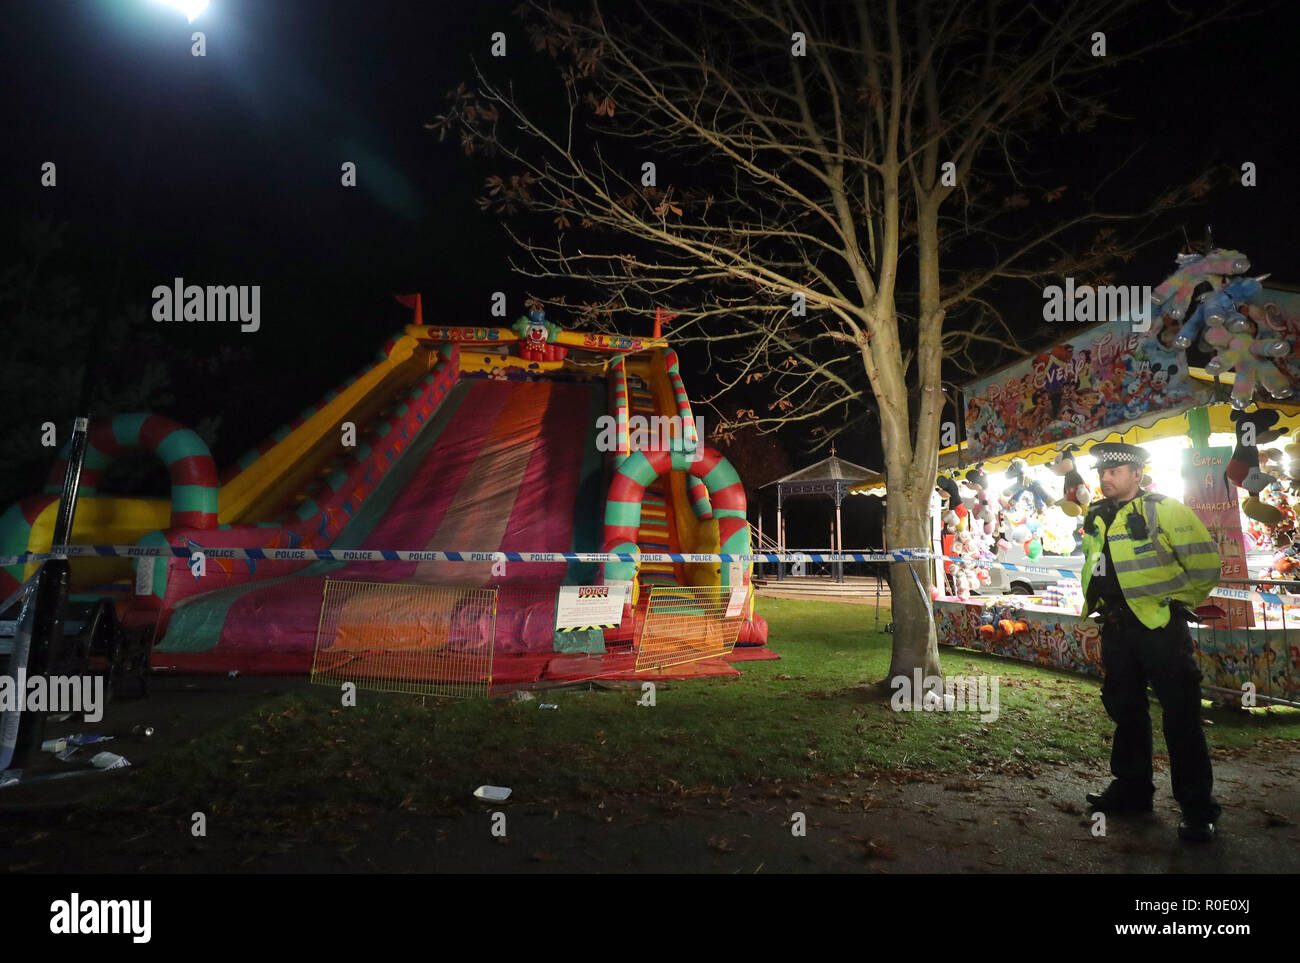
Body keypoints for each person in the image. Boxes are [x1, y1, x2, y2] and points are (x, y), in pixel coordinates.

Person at [1079, 442, 1224, 842]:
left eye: (1114, 472)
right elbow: (1095, 564)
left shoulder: (1164, 508)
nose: (1105, 478)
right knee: (1125, 711)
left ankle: (1197, 809)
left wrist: (1179, 604)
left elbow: (1205, 564)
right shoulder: (1096, 513)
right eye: (1102, 472)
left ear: (1136, 474)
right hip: (1116, 628)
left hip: (1160, 628)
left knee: (1181, 717)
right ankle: (1132, 789)